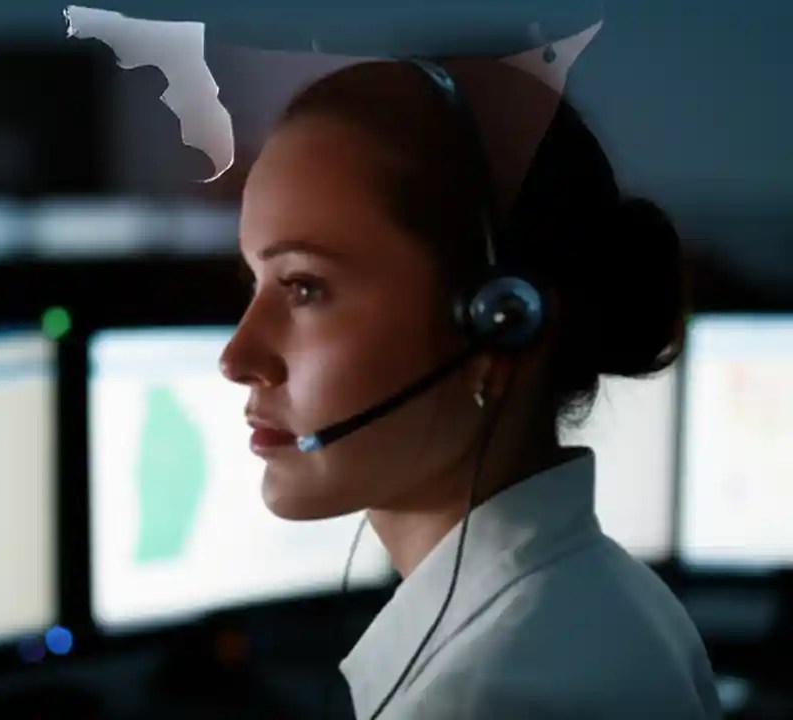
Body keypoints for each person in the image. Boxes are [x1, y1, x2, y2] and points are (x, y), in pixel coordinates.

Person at [218, 59, 722, 718]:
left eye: (305, 287)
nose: (237, 358)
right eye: (254, 282)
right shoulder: (623, 600)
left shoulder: (486, 697)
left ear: (500, 327)